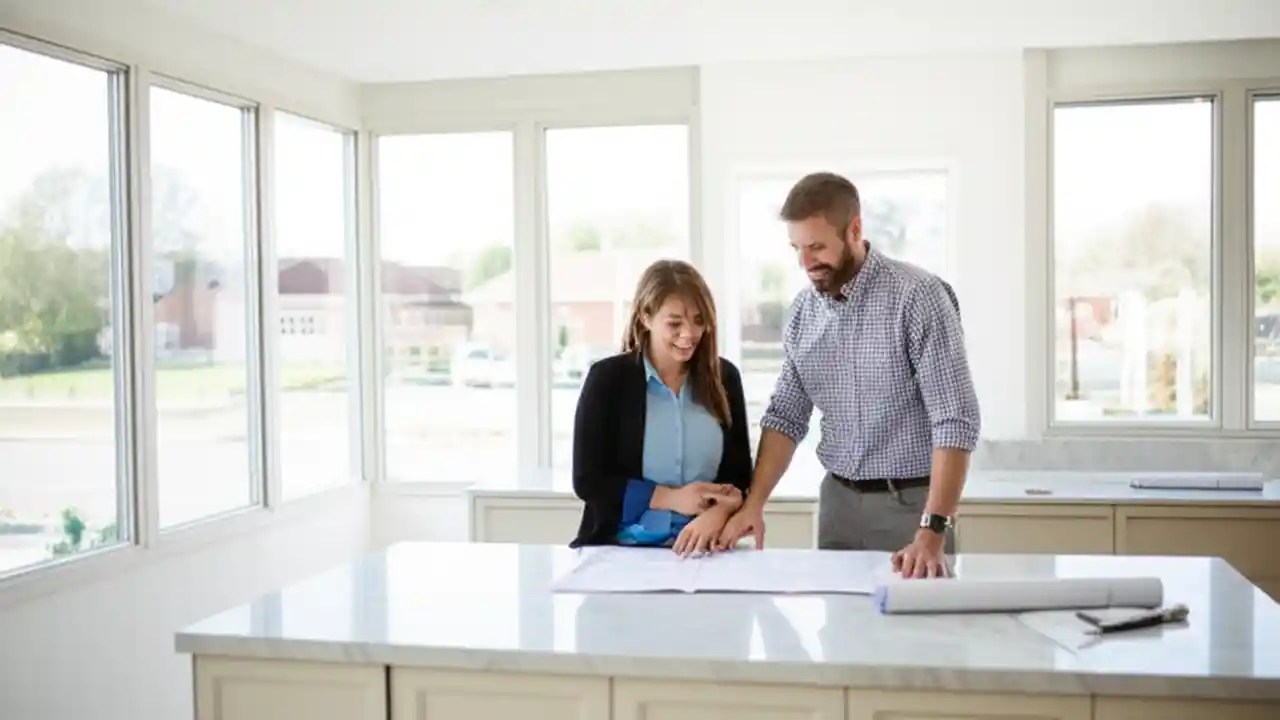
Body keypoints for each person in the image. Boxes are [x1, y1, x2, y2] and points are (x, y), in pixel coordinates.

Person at [717, 171, 981, 578]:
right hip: (837, 506)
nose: (805, 263)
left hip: (912, 508)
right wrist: (754, 504)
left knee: (921, 640)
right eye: (797, 248)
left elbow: (955, 421)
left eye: (817, 246)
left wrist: (932, 529)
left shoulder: (918, 297)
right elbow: (786, 415)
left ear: (855, 230)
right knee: (841, 638)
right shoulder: (804, 312)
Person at [570, 259, 753, 555]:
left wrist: (716, 515)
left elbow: (739, 476)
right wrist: (670, 497)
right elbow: (588, 481)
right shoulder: (608, 380)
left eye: (698, 320)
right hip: (620, 549)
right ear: (645, 317)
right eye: (674, 323)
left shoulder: (726, 378)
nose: (689, 334)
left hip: (706, 549)